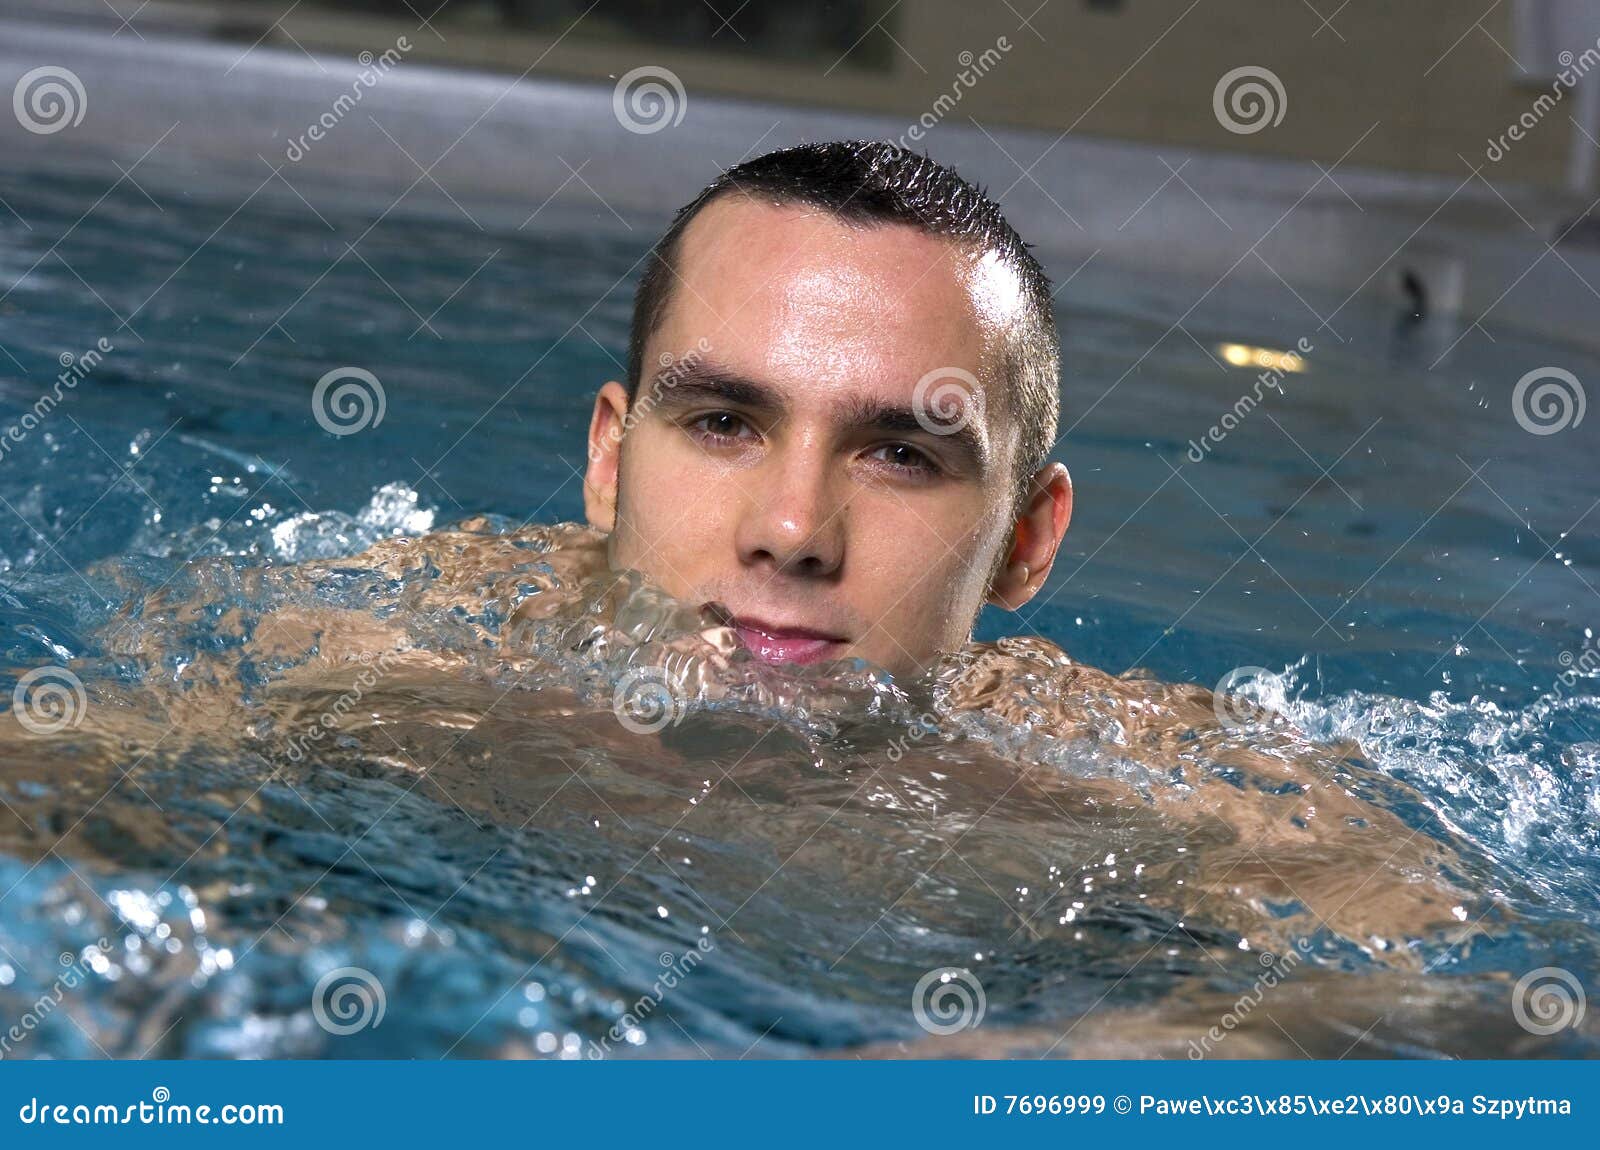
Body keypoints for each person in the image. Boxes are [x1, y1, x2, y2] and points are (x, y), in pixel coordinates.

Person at [582, 141, 1070, 678]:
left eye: (901, 455)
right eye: (723, 424)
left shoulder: (1094, 758)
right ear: (611, 461)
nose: (792, 533)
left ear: (1025, 541)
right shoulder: (476, 662)